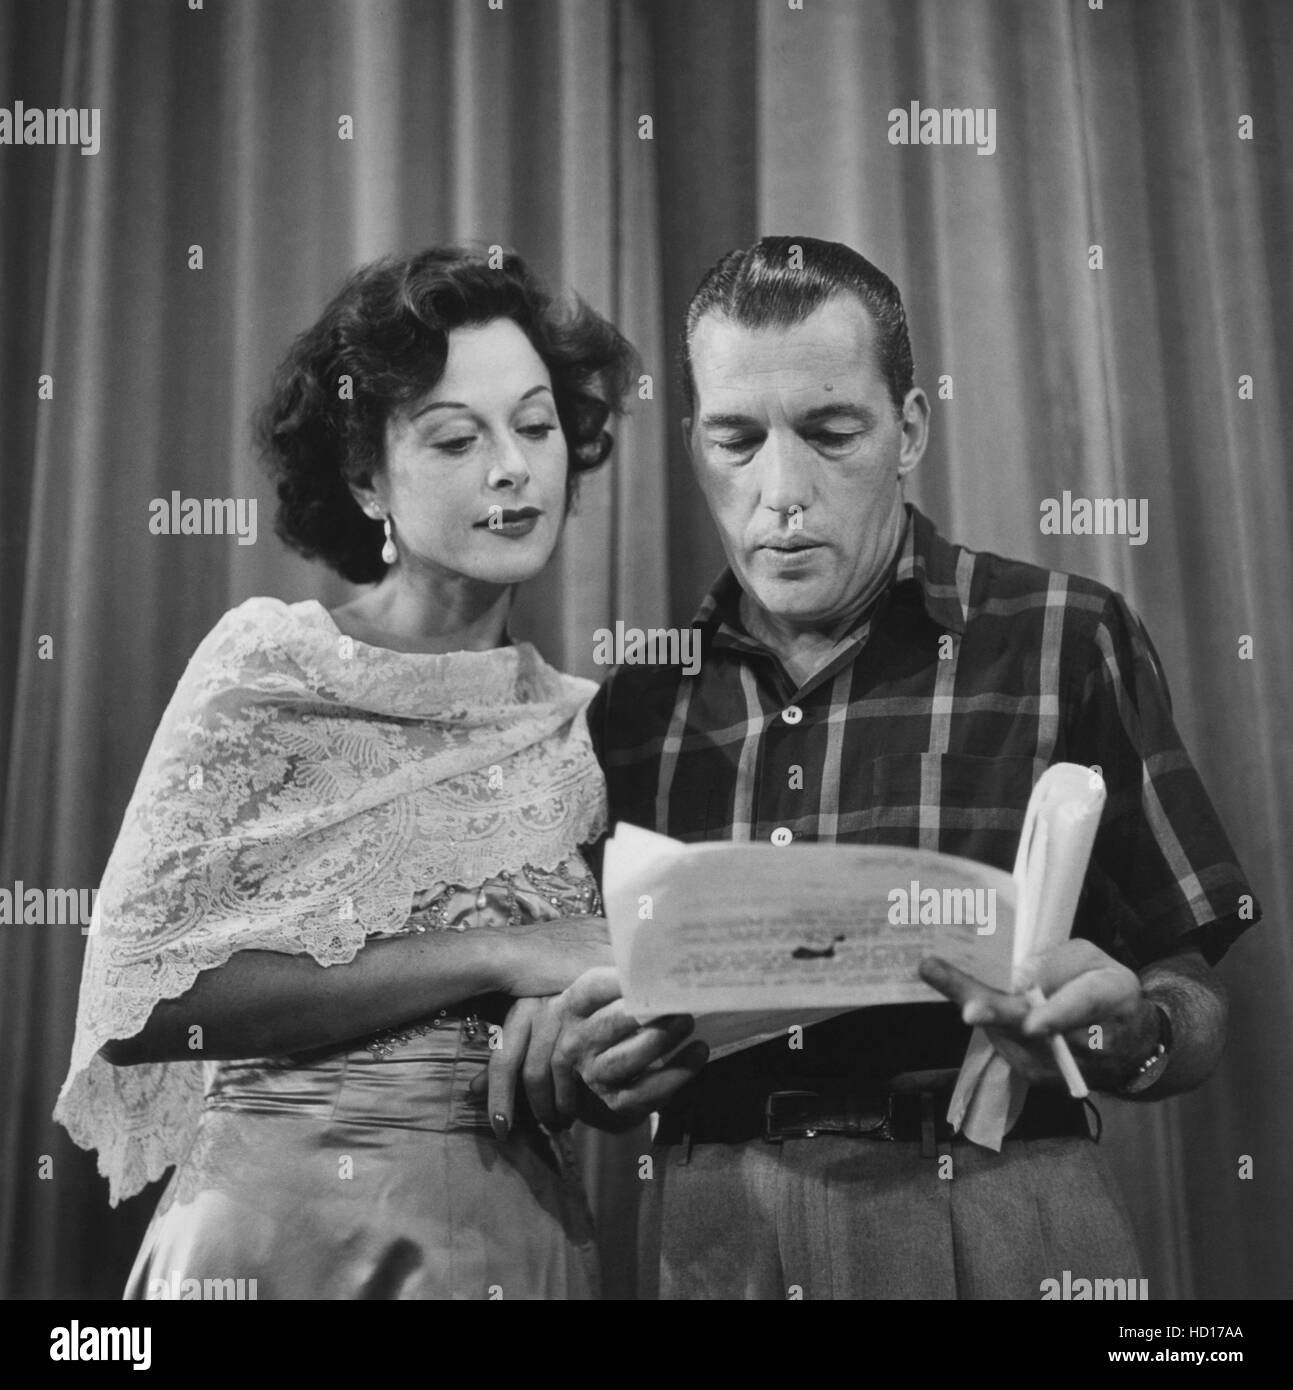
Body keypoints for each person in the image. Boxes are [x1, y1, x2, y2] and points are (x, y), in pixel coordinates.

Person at [492, 235, 1262, 1300]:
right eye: (735, 439)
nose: (783, 490)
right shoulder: (640, 704)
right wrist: (596, 1069)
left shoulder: (1059, 638)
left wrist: (1127, 1028)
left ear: (908, 430)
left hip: (1003, 1200)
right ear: (693, 443)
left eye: (829, 431)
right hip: (717, 1225)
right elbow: (602, 1033)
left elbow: (1197, 998)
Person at [53, 245, 635, 1300]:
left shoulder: (586, 730)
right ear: (365, 476)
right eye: (457, 438)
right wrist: (502, 950)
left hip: (507, 1247)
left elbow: (597, 1045)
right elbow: (142, 1008)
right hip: (269, 1245)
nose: (513, 468)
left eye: (537, 426)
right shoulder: (271, 664)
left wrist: (583, 1044)